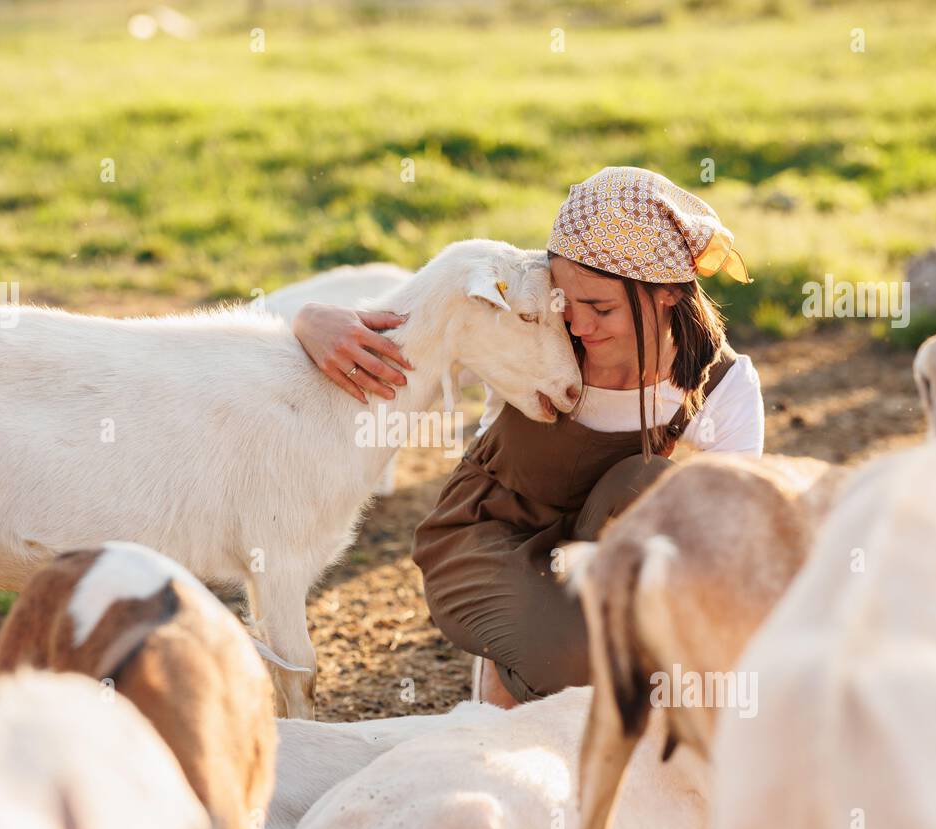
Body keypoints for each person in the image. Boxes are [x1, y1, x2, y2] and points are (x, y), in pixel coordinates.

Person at [292, 167, 764, 706]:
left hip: (594, 558)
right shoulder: (533, 327)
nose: (579, 326)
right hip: (489, 536)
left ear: (666, 295)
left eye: (601, 308)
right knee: (575, 662)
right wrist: (310, 320)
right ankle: (511, 676)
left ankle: (563, 655)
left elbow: (734, 530)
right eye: (567, 302)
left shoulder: (722, 385)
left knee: (652, 484)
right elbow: (407, 337)